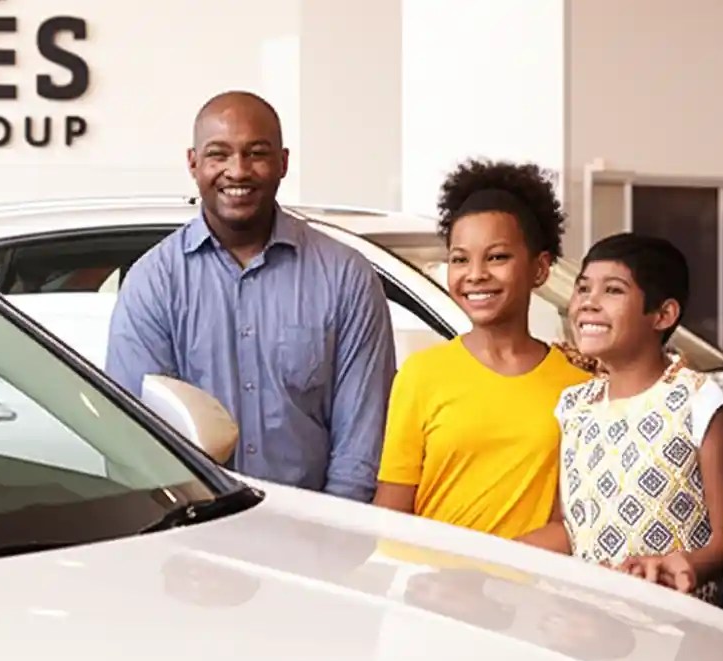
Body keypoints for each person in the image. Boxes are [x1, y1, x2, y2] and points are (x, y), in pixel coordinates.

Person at [105, 90, 396, 502]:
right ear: (194, 163)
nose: (237, 171)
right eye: (219, 155)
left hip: (316, 537)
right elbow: (139, 446)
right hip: (195, 538)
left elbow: (361, 445)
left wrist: (333, 543)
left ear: (283, 162)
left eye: (256, 153)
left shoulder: (346, 277)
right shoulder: (154, 283)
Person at [372, 158, 593, 540]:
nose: (475, 274)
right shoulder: (421, 375)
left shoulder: (580, 389)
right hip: (431, 588)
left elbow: (576, 525)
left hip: (531, 592)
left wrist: (493, 578)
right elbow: (391, 515)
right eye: (460, 259)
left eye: (497, 257)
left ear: (540, 269)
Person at [521, 233, 723, 604]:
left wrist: (680, 565)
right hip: (592, 620)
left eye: (613, 291)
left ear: (663, 315)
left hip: (679, 629)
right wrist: (486, 555)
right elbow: (571, 527)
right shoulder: (574, 407)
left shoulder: (699, 402)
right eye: (583, 288)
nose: (588, 302)